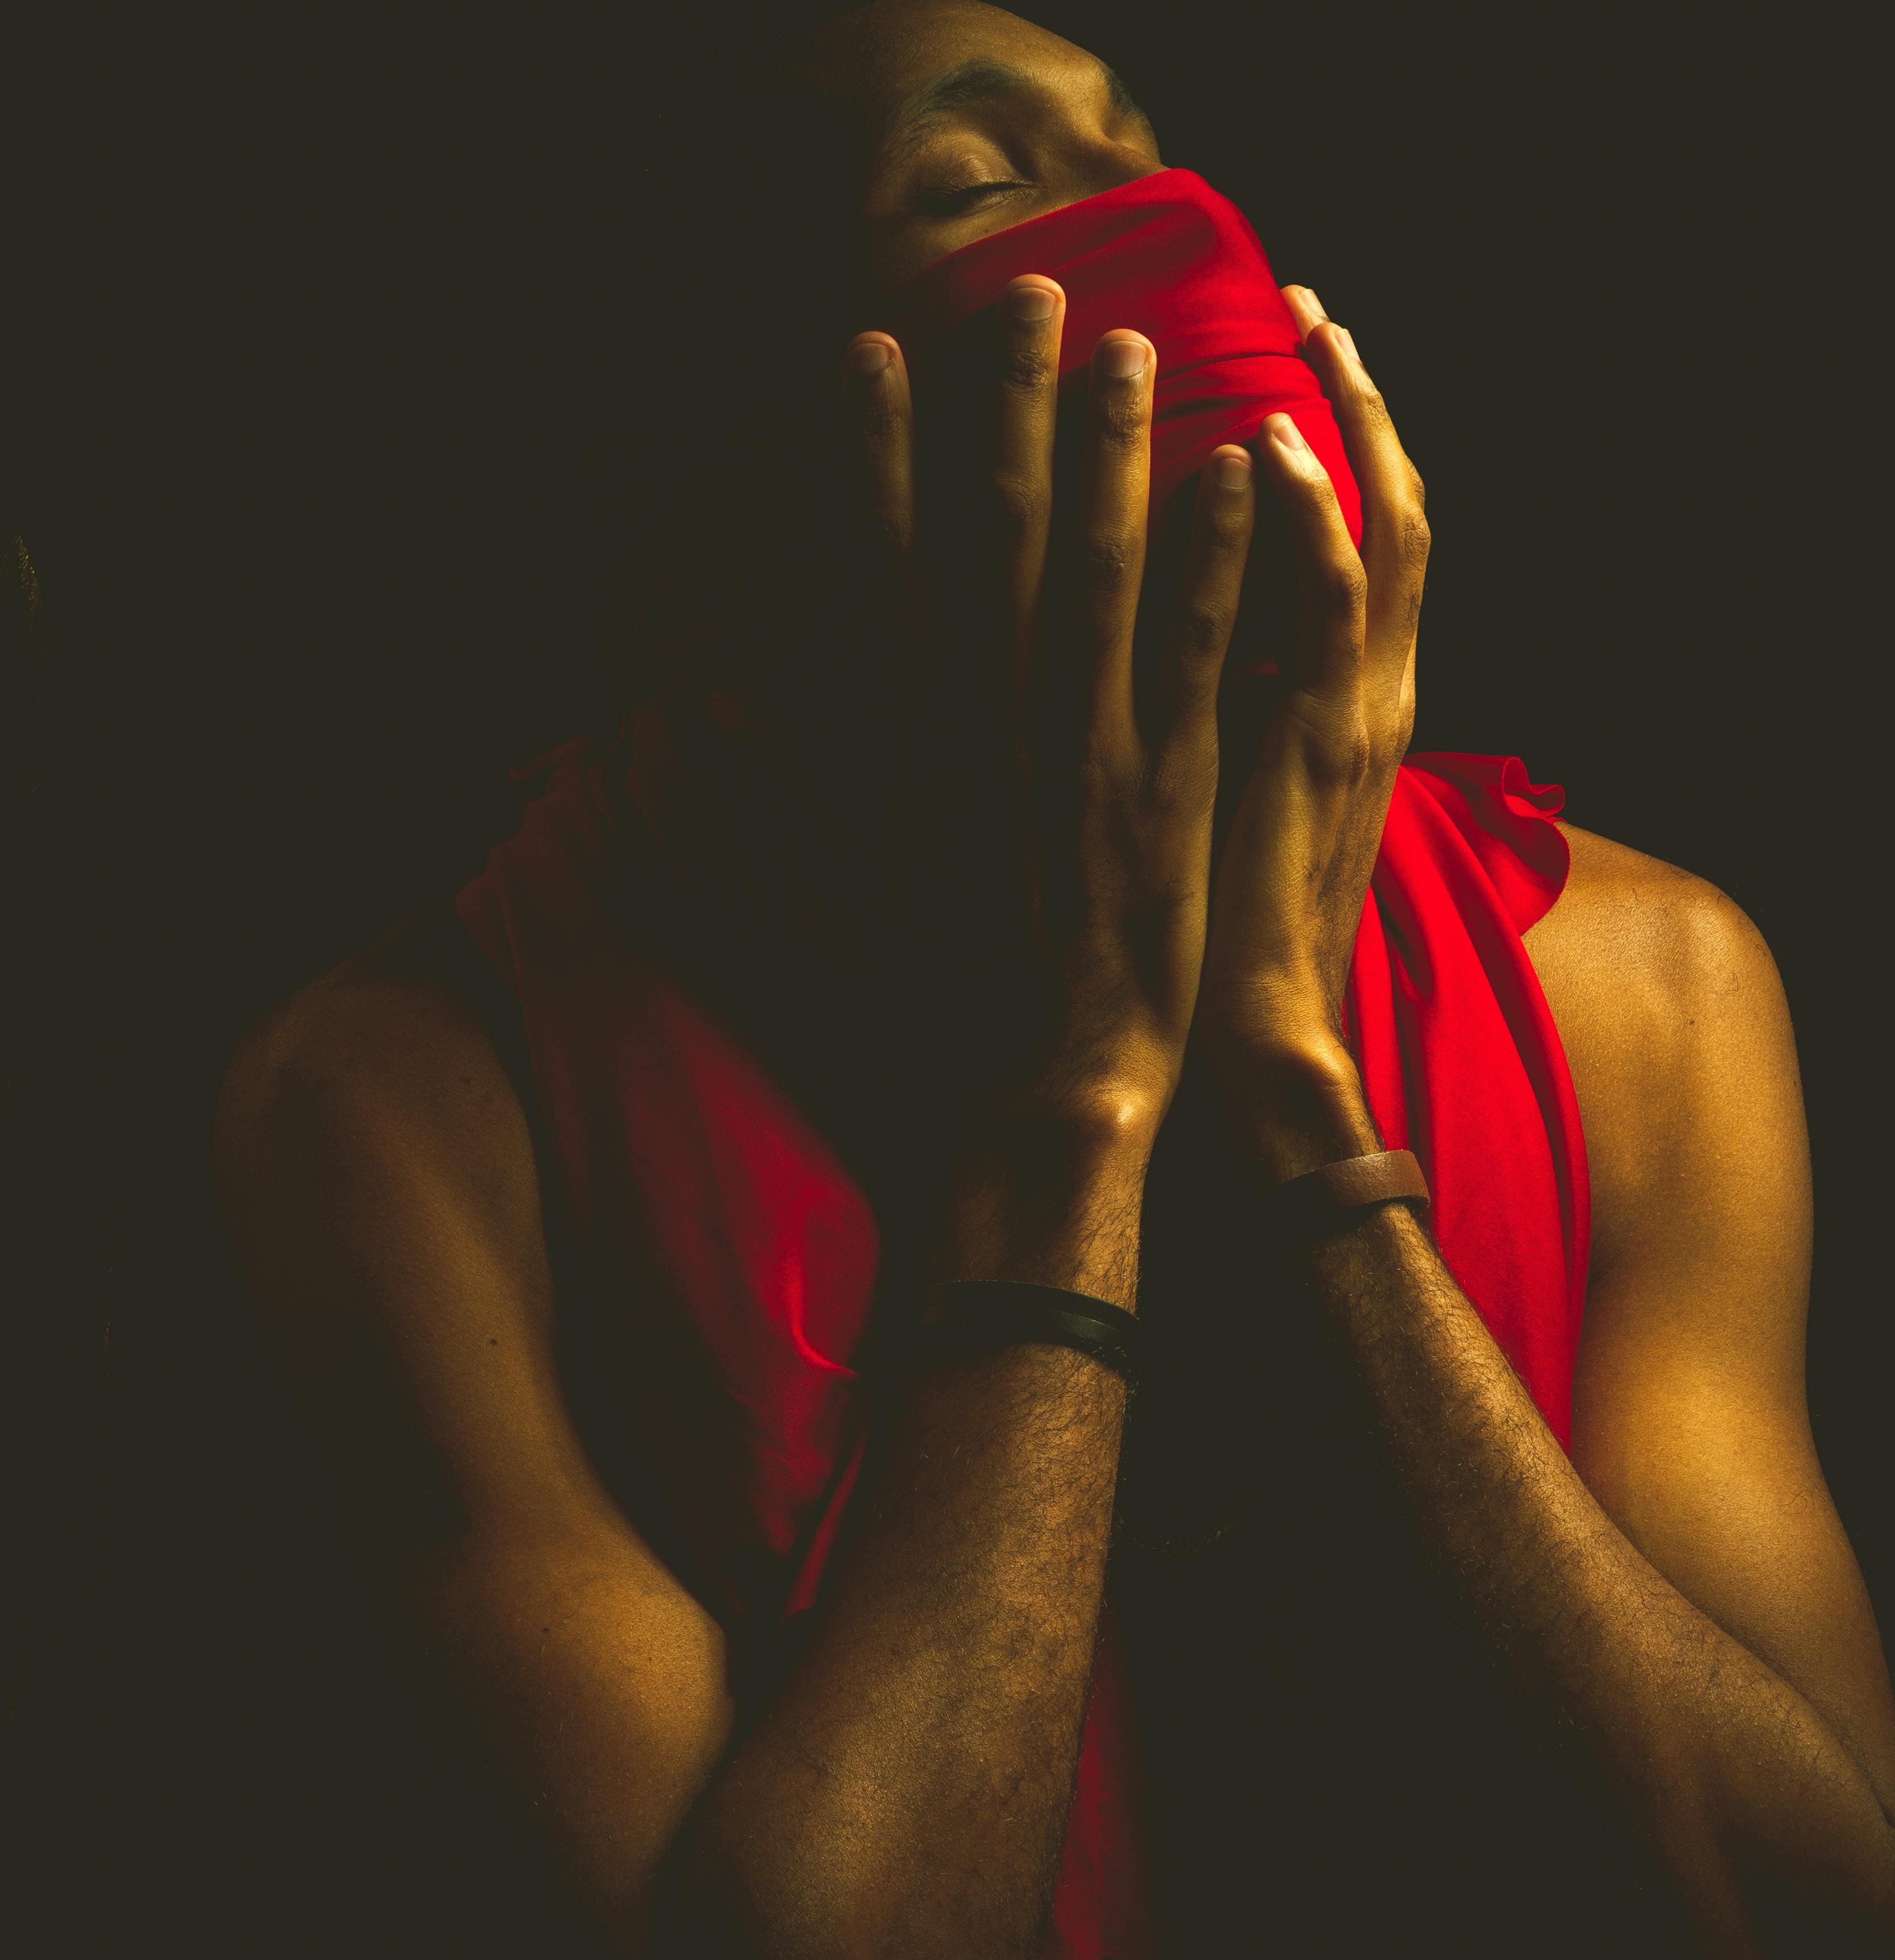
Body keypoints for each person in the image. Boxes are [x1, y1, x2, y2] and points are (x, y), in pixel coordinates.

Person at [213, 3, 1895, 1953]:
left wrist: (1291, 1090)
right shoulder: (414, 1106)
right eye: (976, 183)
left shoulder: (1646, 986)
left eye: (1146, 154)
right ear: (762, 411)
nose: (1187, 227)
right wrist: (1082, 1097)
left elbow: (1813, 1910)